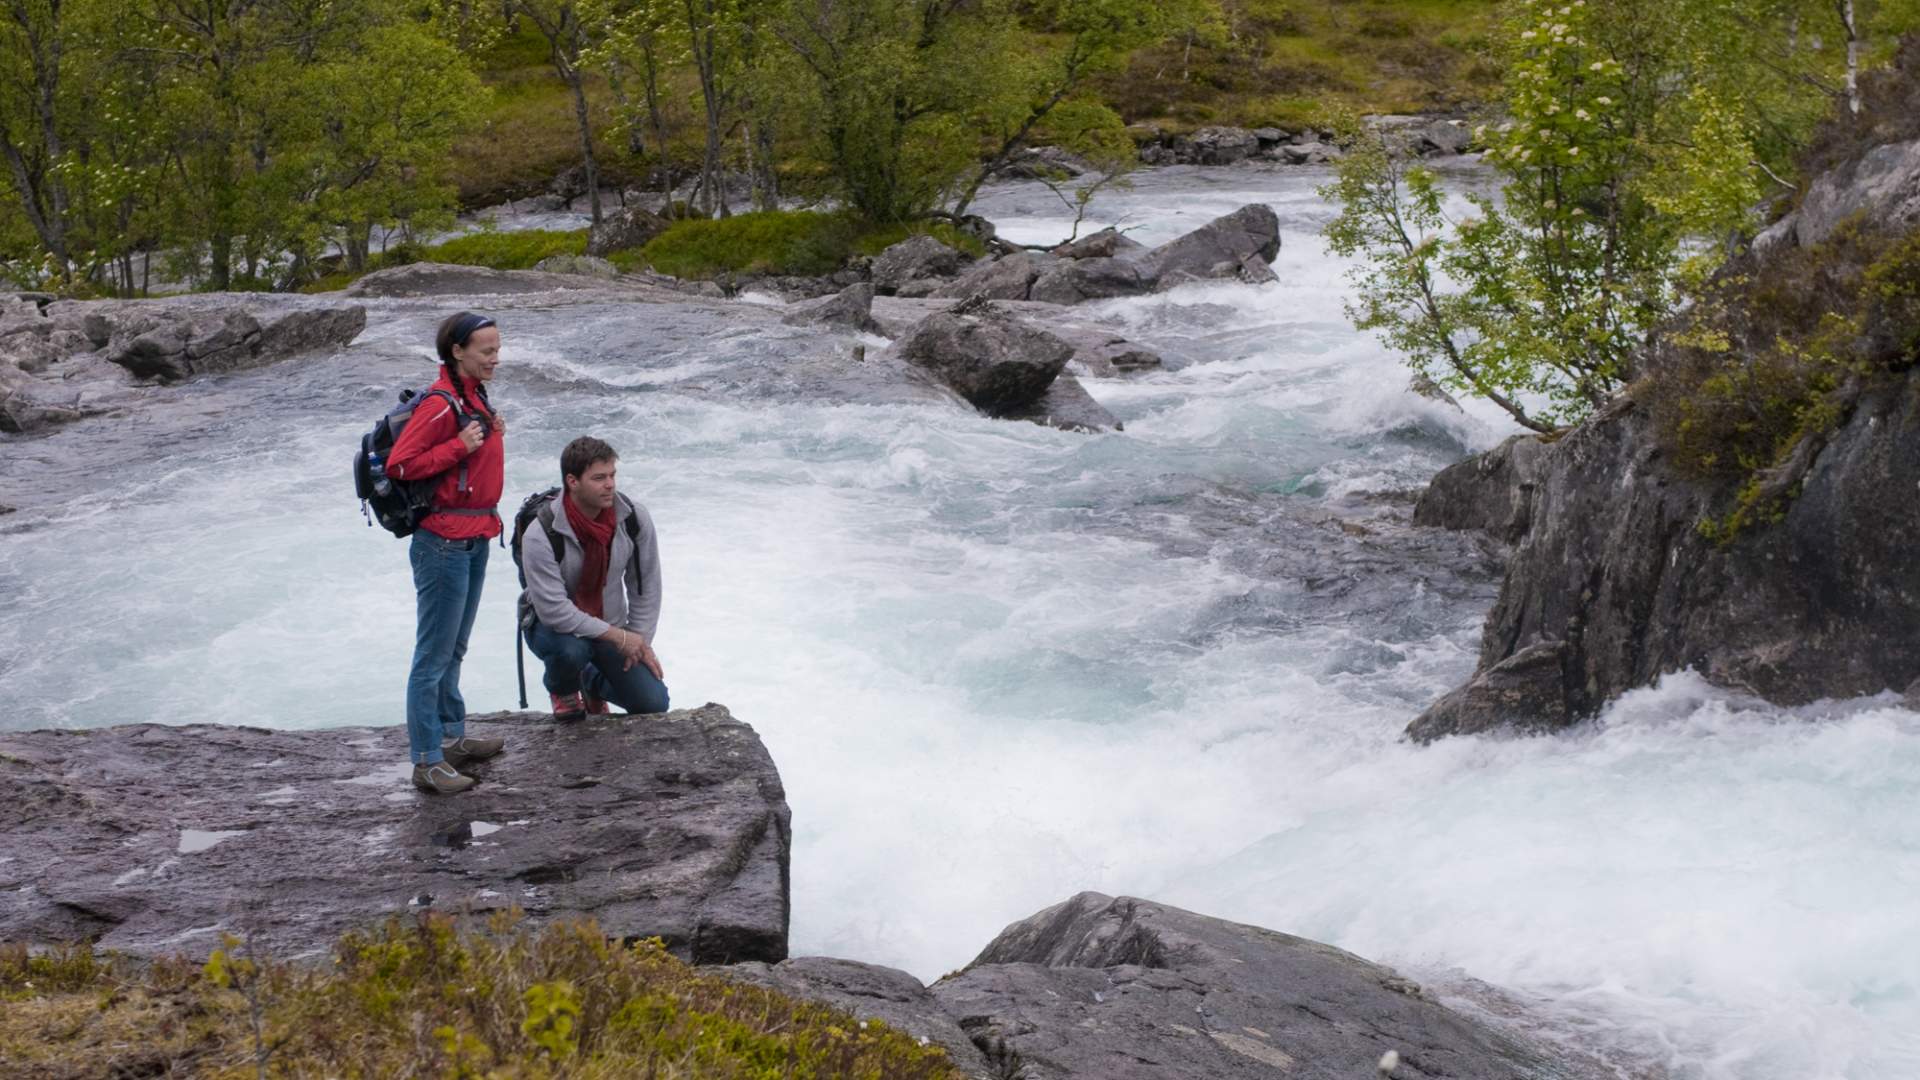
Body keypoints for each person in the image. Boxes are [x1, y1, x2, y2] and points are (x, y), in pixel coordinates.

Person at [386, 311, 508, 795]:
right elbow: (401, 465)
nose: (495, 357)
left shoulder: (472, 397)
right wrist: (458, 446)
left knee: (454, 648)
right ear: (457, 352)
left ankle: (452, 737)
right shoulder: (440, 405)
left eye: (498, 348)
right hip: (443, 542)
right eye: (486, 350)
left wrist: (487, 430)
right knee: (432, 655)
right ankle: (426, 760)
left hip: (475, 535)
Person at [520, 436, 668, 719]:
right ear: (572, 481)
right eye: (599, 478)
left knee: (652, 704)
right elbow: (555, 612)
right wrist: (620, 637)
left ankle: (591, 683)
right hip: (554, 629)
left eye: (612, 475)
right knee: (571, 651)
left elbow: (646, 586)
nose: (610, 484)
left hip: (609, 624)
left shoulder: (633, 518)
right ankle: (563, 688)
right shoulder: (541, 533)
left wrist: (639, 641)